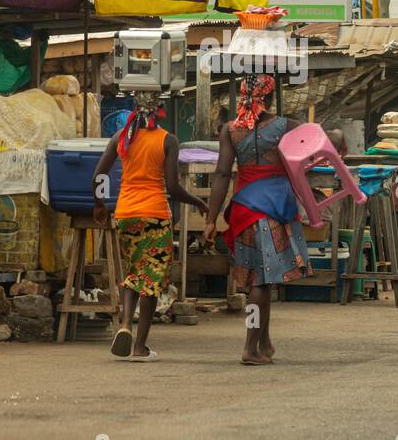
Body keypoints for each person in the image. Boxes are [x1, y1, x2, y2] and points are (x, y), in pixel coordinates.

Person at [202, 75, 313, 366]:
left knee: (260, 277)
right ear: (271, 97)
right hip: (273, 208)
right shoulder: (288, 126)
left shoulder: (230, 130)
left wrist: (211, 220)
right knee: (261, 282)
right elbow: (317, 150)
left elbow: (223, 174)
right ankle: (250, 347)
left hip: (243, 208)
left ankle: (263, 341)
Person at [92, 91, 206, 363]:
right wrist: (198, 202)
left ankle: (124, 325)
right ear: (160, 110)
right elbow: (173, 187)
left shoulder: (121, 137)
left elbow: (98, 175)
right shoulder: (168, 140)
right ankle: (140, 347)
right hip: (154, 215)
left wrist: (99, 205)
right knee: (151, 281)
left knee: (134, 273)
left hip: (126, 214)